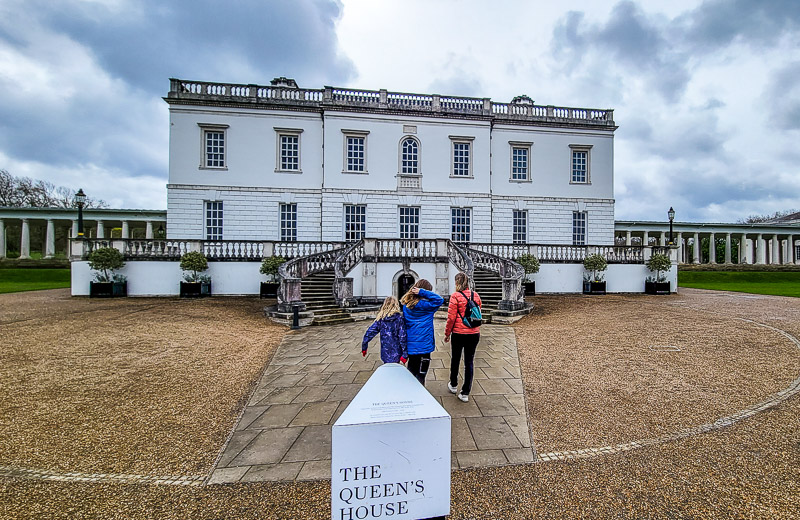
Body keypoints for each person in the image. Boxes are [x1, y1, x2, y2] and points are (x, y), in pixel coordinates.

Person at [444, 272, 482, 402]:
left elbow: (451, 318)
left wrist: (447, 333)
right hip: (474, 333)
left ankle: (453, 385)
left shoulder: (455, 296)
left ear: (457, 282)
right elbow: (478, 312)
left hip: (459, 333)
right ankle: (465, 392)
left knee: (455, 359)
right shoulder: (475, 295)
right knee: (469, 362)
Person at [400, 279, 444, 385]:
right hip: (425, 344)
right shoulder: (428, 306)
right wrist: (423, 292)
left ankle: (410, 391)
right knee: (421, 375)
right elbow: (439, 299)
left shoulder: (406, 306)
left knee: (411, 371)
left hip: (411, 343)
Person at [361, 296, 408, 364]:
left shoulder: (381, 319)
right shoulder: (399, 319)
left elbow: (369, 333)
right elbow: (402, 337)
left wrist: (364, 346)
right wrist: (405, 354)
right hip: (397, 352)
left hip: (385, 352)